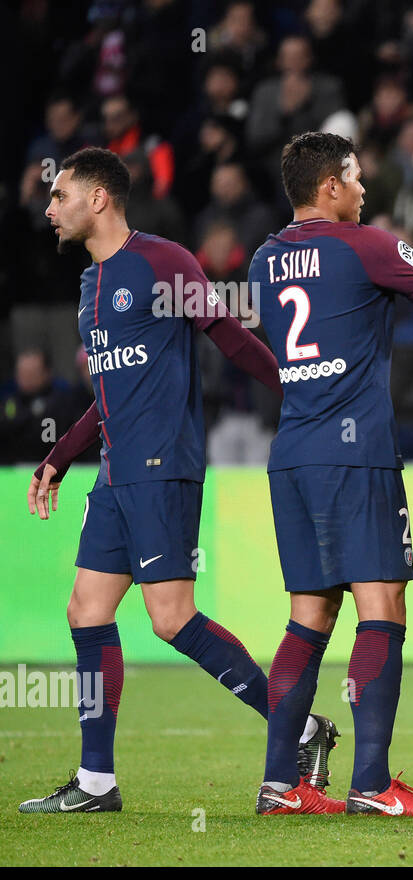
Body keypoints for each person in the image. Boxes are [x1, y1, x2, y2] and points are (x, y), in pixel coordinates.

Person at [21, 147, 336, 813]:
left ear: (98, 199)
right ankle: (96, 783)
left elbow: (227, 333)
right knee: (86, 610)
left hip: (163, 467)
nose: (49, 209)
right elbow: (109, 399)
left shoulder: (163, 262)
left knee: (171, 619)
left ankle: (301, 727)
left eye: (60, 196)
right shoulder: (90, 284)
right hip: (115, 473)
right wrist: (60, 456)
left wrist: (297, 387)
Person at [249, 132, 413, 816]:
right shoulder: (367, 245)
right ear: (329, 186)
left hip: (293, 452)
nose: (365, 190)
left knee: (308, 615)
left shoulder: (264, 260)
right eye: (357, 178)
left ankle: (281, 785)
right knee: (382, 605)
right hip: (356, 453)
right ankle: (371, 784)